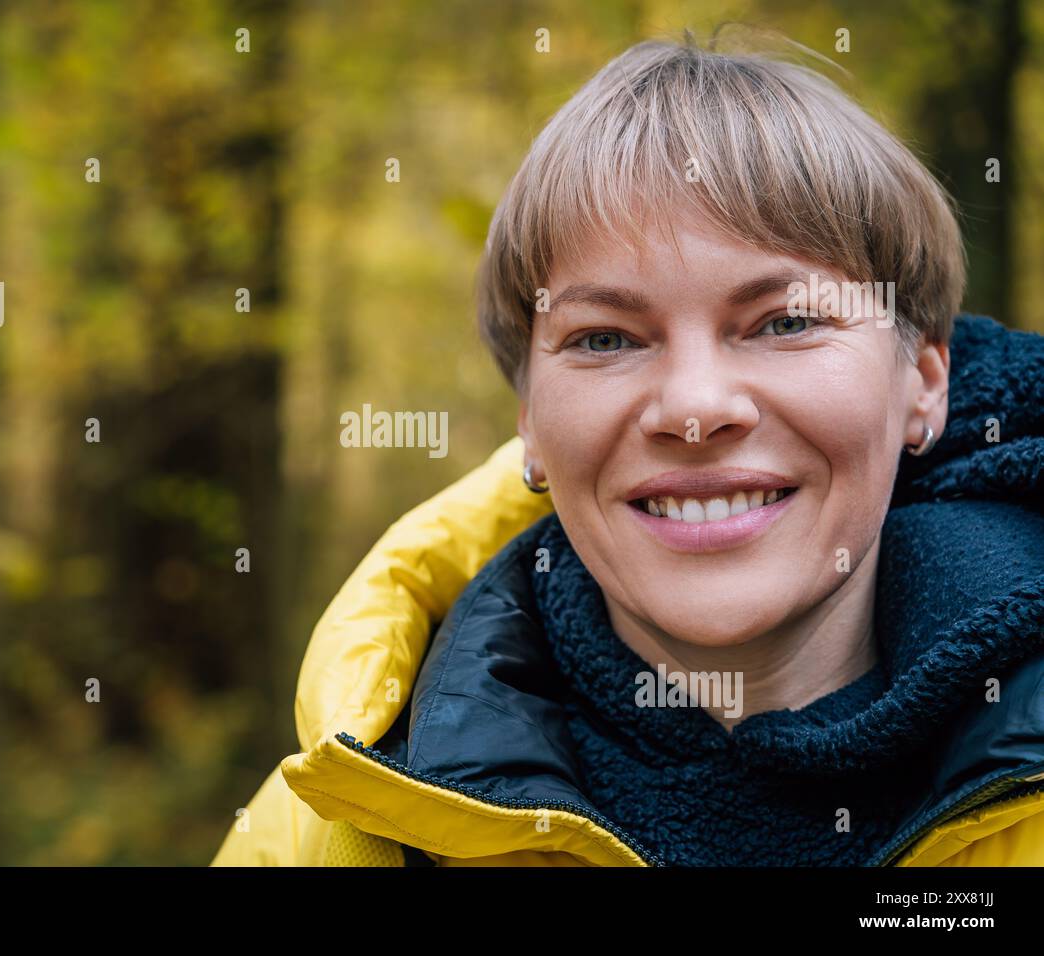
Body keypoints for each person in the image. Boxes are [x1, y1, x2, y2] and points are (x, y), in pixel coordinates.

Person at [211, 31, 1044, 866]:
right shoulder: (339, 822)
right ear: (529, 421)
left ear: (924, 382)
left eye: (786, 322)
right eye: (606, 338)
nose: (693, 409)